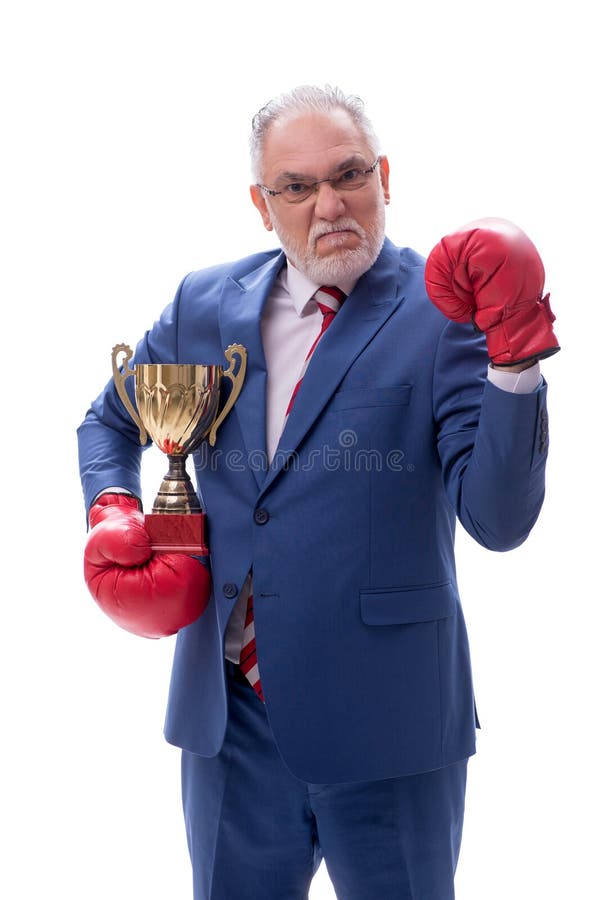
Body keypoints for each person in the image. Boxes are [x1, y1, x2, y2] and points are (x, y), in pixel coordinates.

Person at [78, 85, 559, 900]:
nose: (328, 204)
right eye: (296, 188)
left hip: (392, 723)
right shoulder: (205, 303)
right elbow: (108, 421)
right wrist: (113, 508)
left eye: (347, 176)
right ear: (262, 205)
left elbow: (499, 522)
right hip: (229, 721)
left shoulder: (445, 312)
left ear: (383, 177)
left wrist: (514, 362)